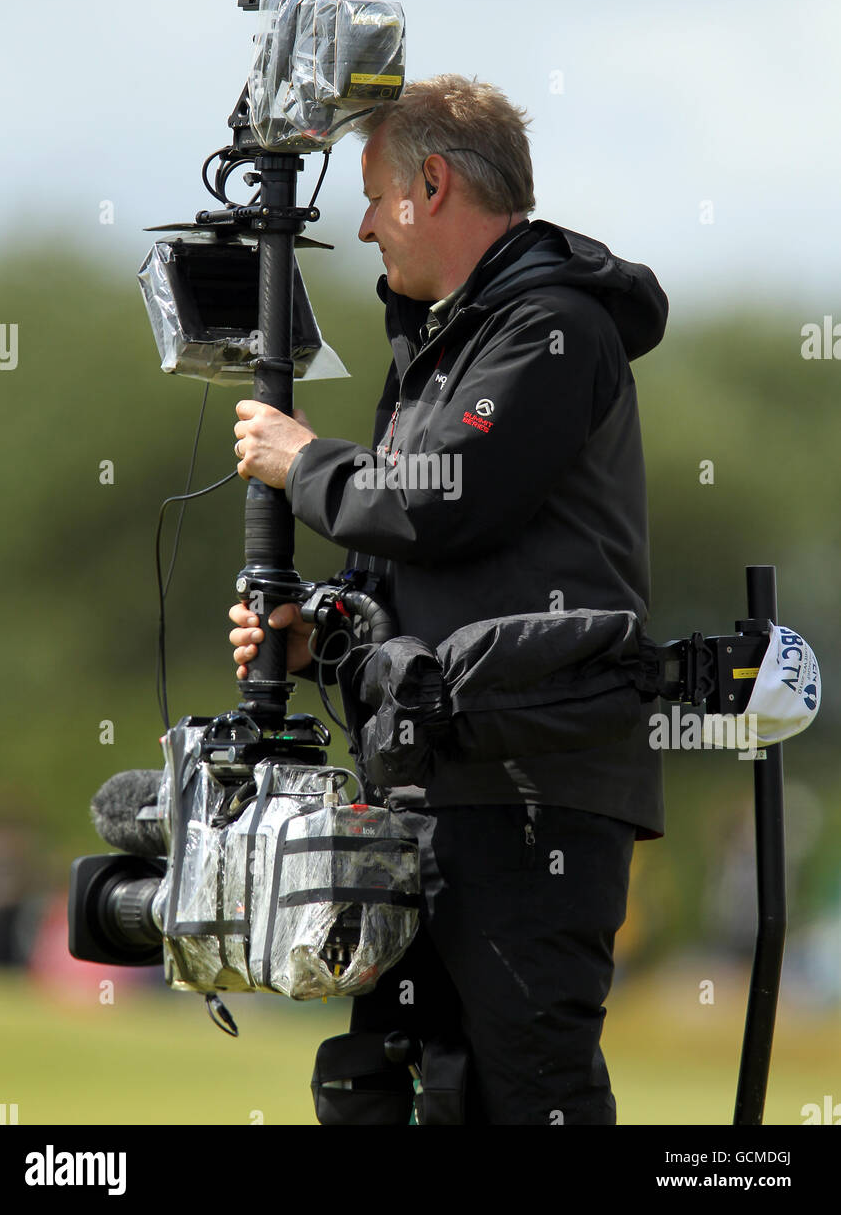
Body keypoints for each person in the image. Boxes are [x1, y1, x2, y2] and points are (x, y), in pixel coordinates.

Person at [228, 75, 668, 1125]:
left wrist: (305, 465)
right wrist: (317, 642)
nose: (366, 222)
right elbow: (423, 580)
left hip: (528, 788)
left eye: (378, 193)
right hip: (433, 777)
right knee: (383, 1082)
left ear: (432, 182)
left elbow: (443, 503)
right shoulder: (444, 341)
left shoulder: (553, 327)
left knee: (530, 1086)